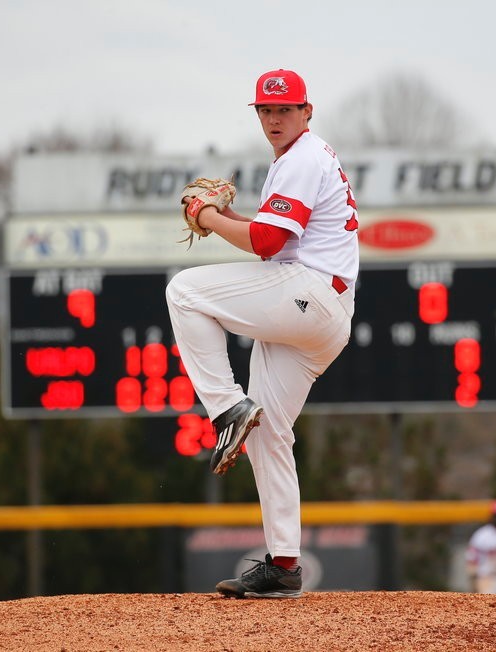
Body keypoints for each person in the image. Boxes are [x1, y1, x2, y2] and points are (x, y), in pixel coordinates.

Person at [165, 69, 359, 598]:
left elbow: (268, 243)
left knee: (184, 291)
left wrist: (206, 214)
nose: (275, 119)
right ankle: (283, 565)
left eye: (285, 109)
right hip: (323, 314)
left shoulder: (301, 158)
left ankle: (226, 405)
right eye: (266, 111)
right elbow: (274, 235)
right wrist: (227, 215)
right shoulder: (301, 158)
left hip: (308, 295)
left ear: (307, 111)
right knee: (269, 433)